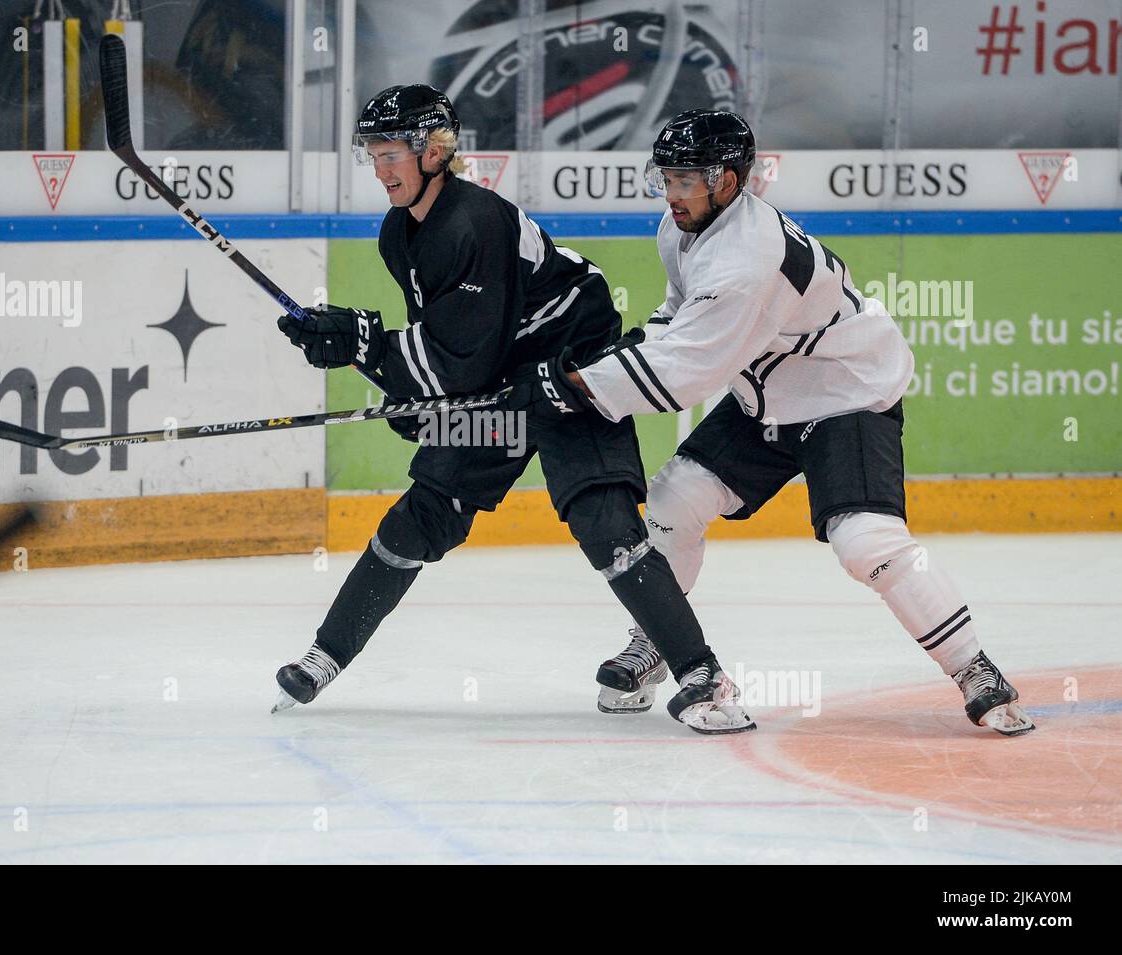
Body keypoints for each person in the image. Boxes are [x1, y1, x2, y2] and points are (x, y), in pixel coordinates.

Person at [271, 85, 755, 733]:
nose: (382, 169)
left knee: (603, 521)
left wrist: (367, 345)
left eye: (393, 153)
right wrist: (383, 367)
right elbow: (453, 350)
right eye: (374, 154)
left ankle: (702, 673)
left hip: (572, 368)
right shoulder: (401, 236)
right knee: (425, 512)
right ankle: (325, 654)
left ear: (434, 151)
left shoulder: (474, 223)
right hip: (501, 373)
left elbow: (458, 360)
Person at [546, 108, 1034, 736]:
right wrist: (611, 362)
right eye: (665, 176)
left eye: (686, 179)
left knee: (865, 541)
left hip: (844, 390)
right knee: (675, 497)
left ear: (730, 179)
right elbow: (679, 322)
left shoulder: (745, 261)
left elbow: (686, 372)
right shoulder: (684, 228)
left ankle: (975, 669)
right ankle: (654, 643)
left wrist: (577, 388)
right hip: (768, 393)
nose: (672, 193)